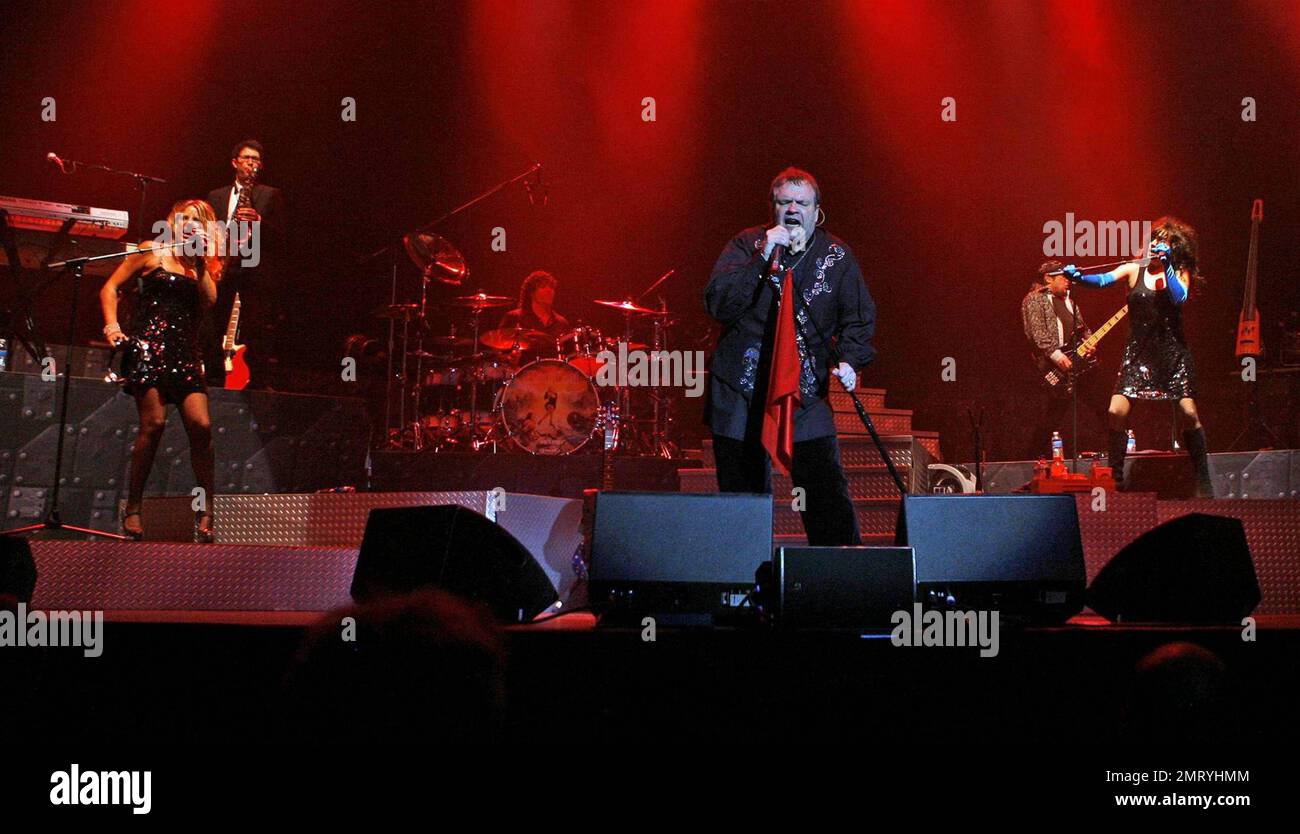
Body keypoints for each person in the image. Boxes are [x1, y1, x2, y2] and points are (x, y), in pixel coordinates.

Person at [704, 167, 876, 545]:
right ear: (773, 208)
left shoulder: (837, 256)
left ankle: (841, 583)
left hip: (804, 394)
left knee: (825, 495)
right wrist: (762, 256)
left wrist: (848, 359)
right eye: (785, 202)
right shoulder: (746, 245)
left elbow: (859, 318)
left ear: (817, 211)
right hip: (741, 393)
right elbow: (718, 303)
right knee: (742, 504)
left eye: (802, 202)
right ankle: (746, 589)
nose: (793, 209)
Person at [100, 200, 223, 541]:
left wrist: (199, 264)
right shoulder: (151, 251)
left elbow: (209, 302)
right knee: (153, 425)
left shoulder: (197, 264)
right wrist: (112, 327)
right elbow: (110, 287)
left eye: (199, 222)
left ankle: (207, 509)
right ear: (173, 221)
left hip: (184, 353)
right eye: (186, 219)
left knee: (201, 425)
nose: (191, 225)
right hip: (149, 349)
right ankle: (134, 508)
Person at [1063, 217, 1212, 495]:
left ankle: (1202, 479)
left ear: (1174, 248)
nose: (1155, 244)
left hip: (1171, 353)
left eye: (1163, 240)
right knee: (1115, 411)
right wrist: (1080, 277)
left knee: (1188, 413)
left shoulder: (1179, 271)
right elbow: (1104, 280)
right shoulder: (1135, 269)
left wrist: (1167, 265)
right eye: (1154, 239)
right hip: (1139, 353)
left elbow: (1179, 298)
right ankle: (1115, 480)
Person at [205, 139, 284, 389]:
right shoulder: (215, 195)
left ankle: (258, 384)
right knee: (213, 323)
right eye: (247, 158)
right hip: (224, 264)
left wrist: (259, 220)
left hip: (255, 266)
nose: (252, 163)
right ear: (235, 162)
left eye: (256, 159)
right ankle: (213, 378)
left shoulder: (270, 194)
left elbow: (282, 233)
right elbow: (207, 229)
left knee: (256, 327)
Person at [1020, 259, 1102, 460]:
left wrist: (1089, 342)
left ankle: (1118, 449)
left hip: (1076, 366)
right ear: (1048, 278)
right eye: (1063, 278)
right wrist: (1057, 356)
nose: (1068, 282)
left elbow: (1083, 328)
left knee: (1101, 404)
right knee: (1049, 419)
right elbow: (1037, 333)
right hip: (1049, 368)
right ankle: (1031, 460)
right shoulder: (1034, 300)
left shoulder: (1070, 302)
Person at [497, 270, 570, 337]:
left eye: (551, 287)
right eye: (543, 287)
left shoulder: (562, 323)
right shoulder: (514, 317)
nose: (549, 290)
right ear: (532, 293)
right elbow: (500, 345)